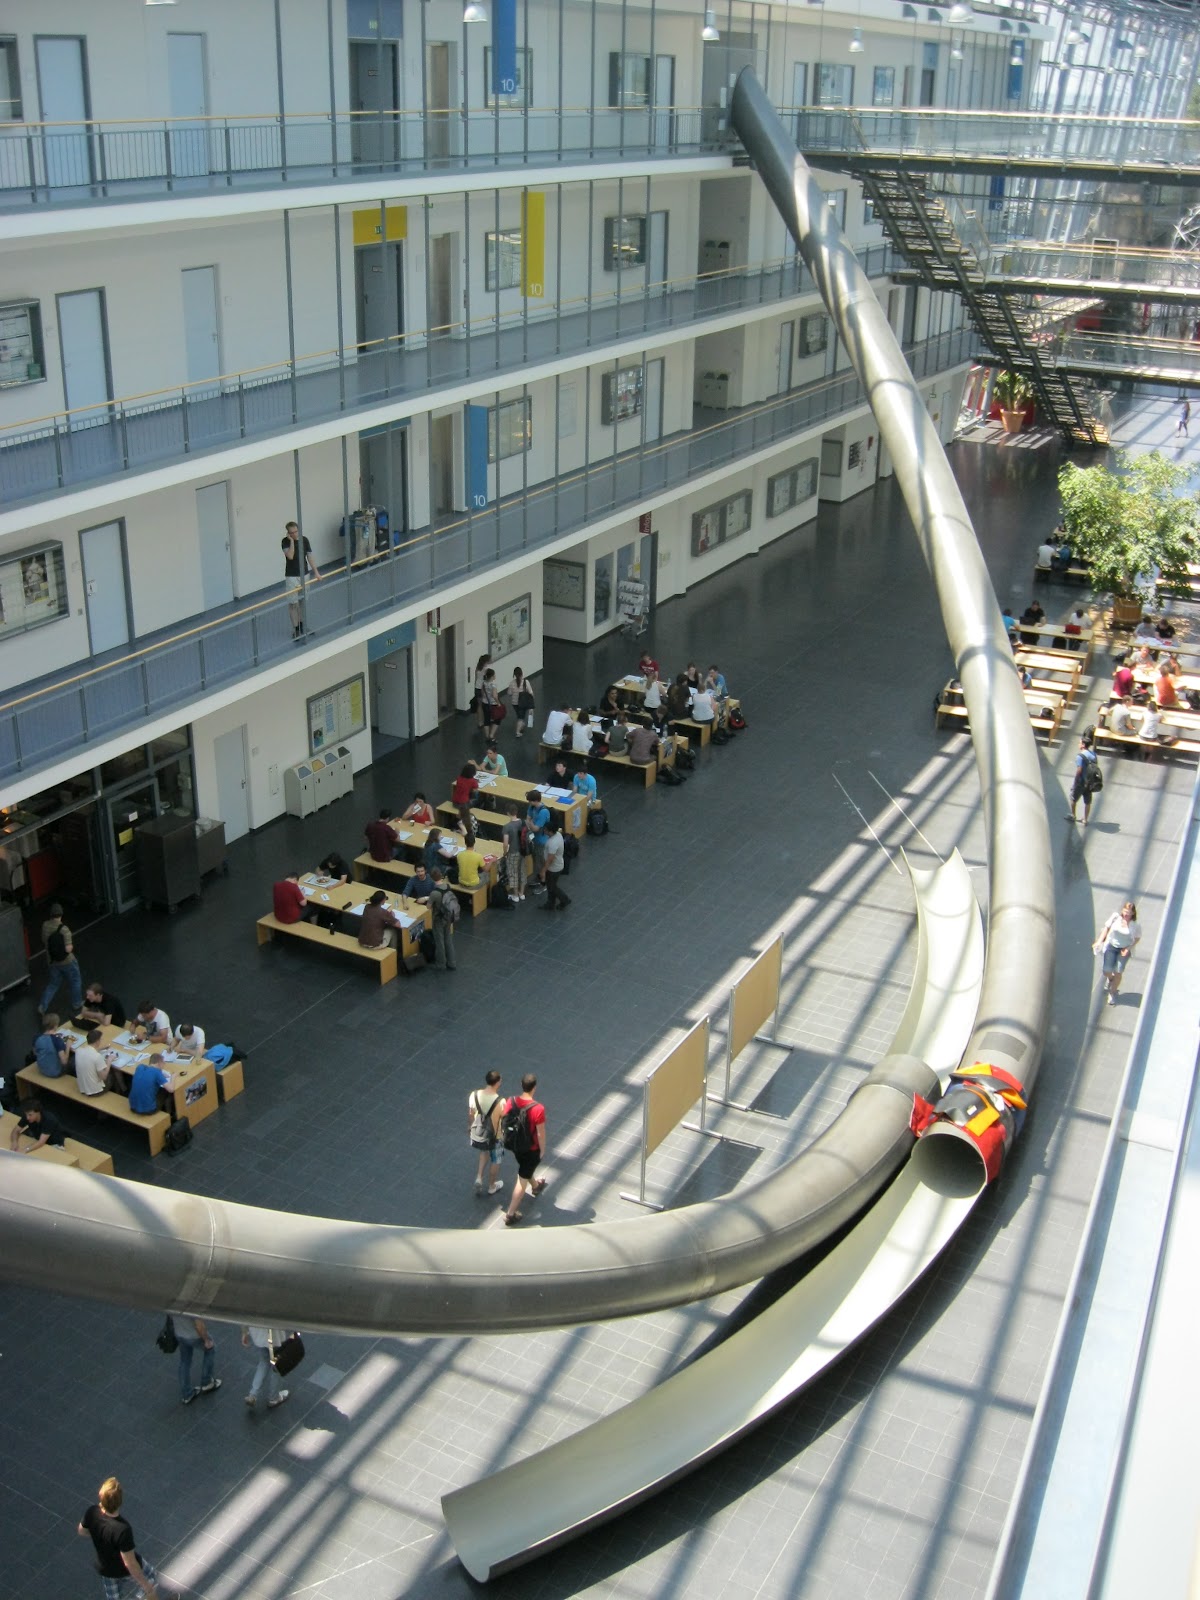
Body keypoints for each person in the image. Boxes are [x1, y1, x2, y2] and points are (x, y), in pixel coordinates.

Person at [79, 1477, 162, 1599]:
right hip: (124, 1571)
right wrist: (146, 1586)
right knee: (151, 1578)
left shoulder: (92, 1512)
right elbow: (130, 1563)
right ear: (119, 1501)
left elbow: (82, 1531)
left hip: (107, 1570)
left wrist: (99, 1533)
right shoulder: (122, 1529)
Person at [501, 1073, 548, 1226]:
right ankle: (510, 1214)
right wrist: (542, 1149)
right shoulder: (538, 1108)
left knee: (525, 1168)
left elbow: (504, 1117)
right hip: (531, 1149)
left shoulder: (511, 1100)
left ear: (522, 1086)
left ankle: (535, 1186)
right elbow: (540, 1133)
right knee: (521, 1181)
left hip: (515, 1145)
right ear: (534, 1088)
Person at [1093, 899, 1142, 1006]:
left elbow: (1137, 938)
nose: (1126, 914)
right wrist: (1099, 941)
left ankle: (1112, 992)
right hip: (1112, 946)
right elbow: (1106, 929)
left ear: (1133, 913)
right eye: (1125, 911)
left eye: (1129, 913)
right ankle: (1111, 979)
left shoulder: (1135, 925)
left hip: (1124, 949)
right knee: (1106, 970)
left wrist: (1128, 948)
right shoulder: (1115, 918)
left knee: (1118, 971)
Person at [39, 902, 83, 1018]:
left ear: (51, 914)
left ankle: (43, 1006)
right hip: (67, 961)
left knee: (53, 984)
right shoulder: (64, 929)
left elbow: (44, 940)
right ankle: (77, 1003)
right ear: (61, 915)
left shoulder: (45, 925)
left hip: (52, 961)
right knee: (75, 981)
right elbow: (68, 949)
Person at [282, 520, 320, 639]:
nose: (295, 534)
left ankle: (303, 625)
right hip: (291, 576)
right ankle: (296, 629)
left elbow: (309, 557)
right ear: (288, 533)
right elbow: (290, 556)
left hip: (304, 575)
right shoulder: (285, 542)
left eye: (296, 531)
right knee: (293, 603)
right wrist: (292, 542)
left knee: (303, 601)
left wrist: (316, 572)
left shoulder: (305, 540)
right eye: (292, 533)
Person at [469, 1069, 505, 1196]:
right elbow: (504, 1118)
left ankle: (479, 1177)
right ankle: (492, 1186)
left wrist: (470, 1127)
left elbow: (471, 1113)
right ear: (497, 1082)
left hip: (481, 1132)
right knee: (496, 1160)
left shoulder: (474, 1095)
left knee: (483, 1152)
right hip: (495, 1135)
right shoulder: (500, 1101)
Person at [175, 1315, 222, 1405]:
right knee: (210, 1349)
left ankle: (187, 1394)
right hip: (193, 1336)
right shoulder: (192, 1307)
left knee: (184, 1361)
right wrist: (206, 1340)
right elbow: (199, 1325)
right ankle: (207, 1382)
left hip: (179, 1334)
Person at [242, 1325, 289, 1409]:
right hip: (274, 1337)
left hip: (258, 1336)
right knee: (277, 1366)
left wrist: (244, 1332)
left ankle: (253, 1394)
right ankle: (273, 1398)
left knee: (264, 1362)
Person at [429, 870, 458, 970]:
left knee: (439, 942)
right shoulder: (448, 887)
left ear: (432, 879)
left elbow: (428, 906)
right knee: (448, 938)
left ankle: (441, 964)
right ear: (441, 876)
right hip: (449, 916)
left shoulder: (434, 893)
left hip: (438, 919)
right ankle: (452, 962)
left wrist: (427, 899)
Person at [1068, 734, 1099, 825]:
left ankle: (1073, 815)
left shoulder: (1080, 756)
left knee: (1073, 799)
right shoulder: (1094, 755)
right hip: (1090, 782)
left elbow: (1079, 770)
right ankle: (1085, 819)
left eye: (1080, 743)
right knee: (1087, 802)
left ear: (1083, 745)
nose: (1078, 744)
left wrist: (1076, 781)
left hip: (1081, 781)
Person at [525, 791, 551, 893]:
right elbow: (527, 819)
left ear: (535, 800)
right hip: (534, 839)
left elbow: (536, 828)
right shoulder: (532, 807)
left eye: (530, 801)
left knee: (541, 863)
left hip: (542, 841)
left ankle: (544, 883)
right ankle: (539, 877)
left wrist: (531, 823)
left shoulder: (543, 812)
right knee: (536, 860)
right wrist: (530, 823)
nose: (529, 803)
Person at [542, 821, 570, 911]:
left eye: (545, 830)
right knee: (551, 886)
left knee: (552, 887)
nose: (544, 831)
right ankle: (550, 903)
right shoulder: (558, 835)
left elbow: (550, 859)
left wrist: (543, 870)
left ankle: (564, 899)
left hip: (553, 869)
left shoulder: (552, 843)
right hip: (558, 865)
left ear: (550, 831)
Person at [74, 1029, 111, 1096]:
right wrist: (109, 1061)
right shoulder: (97, 1056)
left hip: (82, 1088)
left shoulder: (78, 1051)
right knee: (111, 1076)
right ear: (97, 1041)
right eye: (100, 1039)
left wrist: (102, 1048)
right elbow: (104, 1077)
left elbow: (90, 1051)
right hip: (95, 1091)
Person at [502, 804, 527, 903]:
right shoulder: (523, 822)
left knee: (513, 873)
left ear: (508, 813)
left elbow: (505, 843)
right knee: (522, 871)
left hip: (513, 852)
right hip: (523, 851)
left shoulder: (507, 827)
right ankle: (522, 893)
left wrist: (505, 853)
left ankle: (515, 895)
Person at [452, 762, 479, 831]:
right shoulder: (473, 781)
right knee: (477, 796)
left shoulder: (459, 778)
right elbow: (475, 790)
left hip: (455, 801)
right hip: (464, 803)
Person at [509, 666, 535, 737]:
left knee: (520, 715)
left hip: (514, 703)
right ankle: (518, 732)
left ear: (514, 674)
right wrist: (532, 699)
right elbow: (530, 692)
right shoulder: (525, 682)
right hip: (523, 703)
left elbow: (509, 693)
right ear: (522, 673)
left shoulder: (512, 683)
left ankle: (522, 725)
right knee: (521, 718)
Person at [479, 667, 502, 748]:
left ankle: (487, 737)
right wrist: (498, 703)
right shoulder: (493, 684)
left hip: (485, 703)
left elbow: (482, 693)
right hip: (493, 704)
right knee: (497, 719)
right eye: (494, 675)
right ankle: (491, 736)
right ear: (492, 676)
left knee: (486, 720)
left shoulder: (484, 683)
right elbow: (495, 696)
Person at [472, 653, 492, 728]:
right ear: (487, 661)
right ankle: (488, 719)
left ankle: (480, 722)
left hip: (477, 688)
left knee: (479, 706)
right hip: (483, 689)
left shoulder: (478, 668)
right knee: (487, 704)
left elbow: (476, 679)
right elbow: (485, 681)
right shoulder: (486, 670)